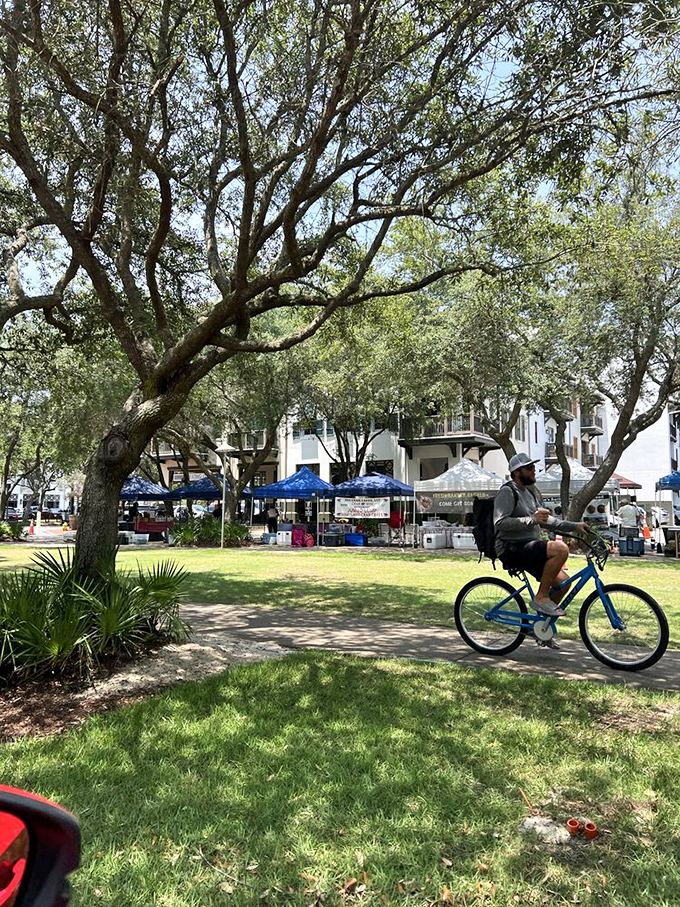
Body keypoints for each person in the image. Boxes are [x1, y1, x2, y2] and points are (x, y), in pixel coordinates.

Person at [494, 452, 587, 618]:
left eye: (533, 467)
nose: (533, 471)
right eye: (529, 468)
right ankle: (541, 597)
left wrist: (575, 526)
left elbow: (548, 520)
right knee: (560, 549)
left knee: (564, 583)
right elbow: (500, 523)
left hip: (529, 546)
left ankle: (541, 627)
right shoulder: (507, 492)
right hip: (510, 546)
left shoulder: (529, 493)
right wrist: (532, 519)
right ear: (517, 472)